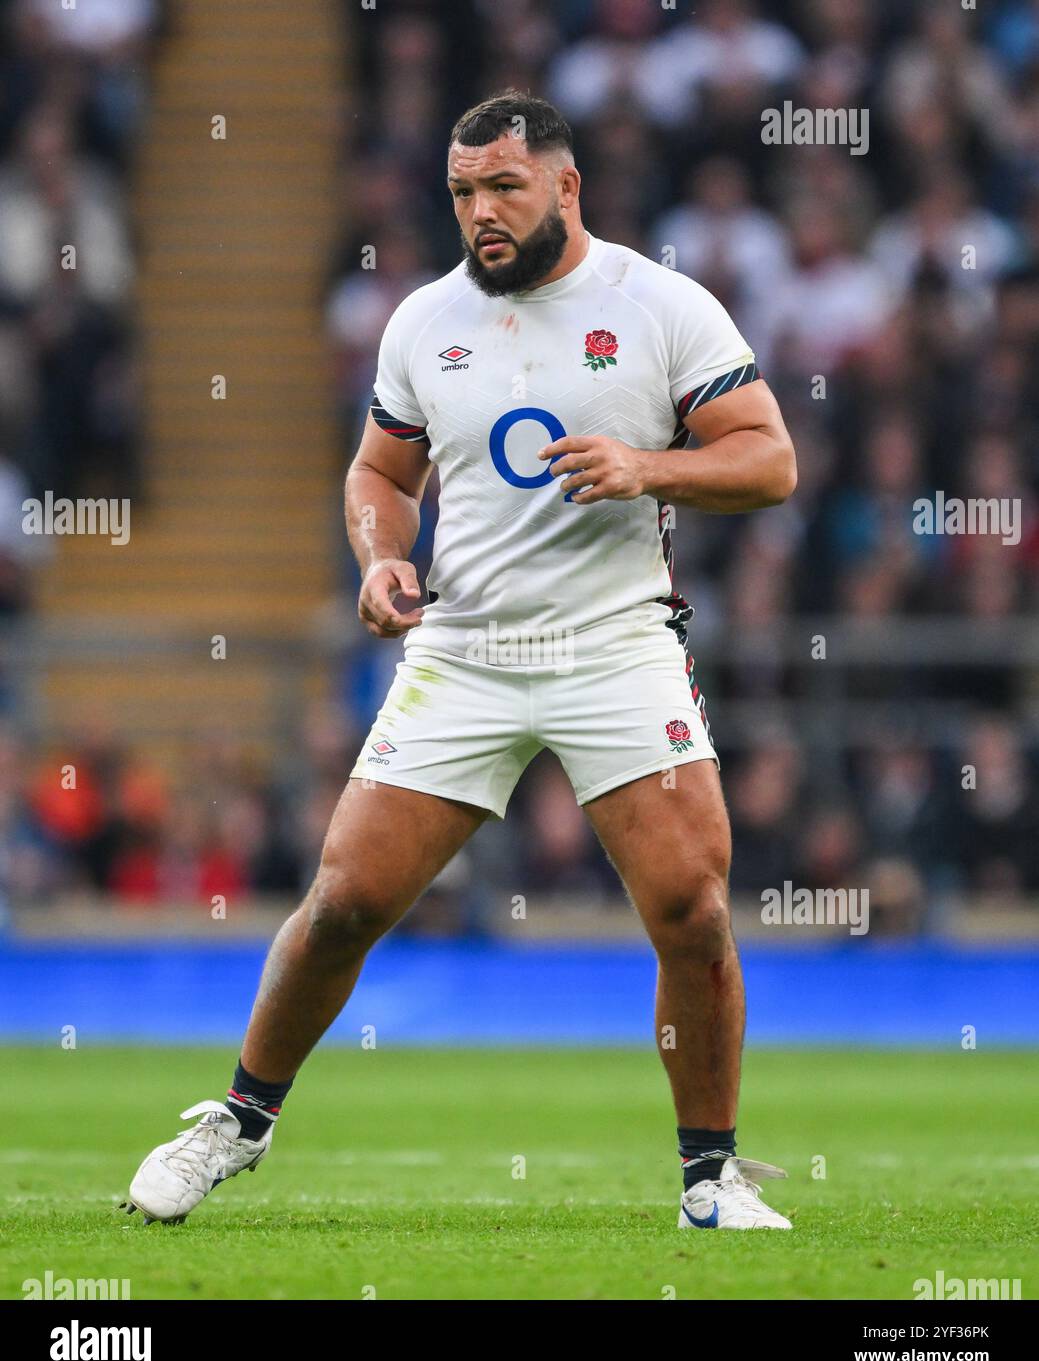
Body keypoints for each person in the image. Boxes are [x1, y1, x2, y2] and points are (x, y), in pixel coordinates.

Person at [126, 92, 797, 1231]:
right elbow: (381, 477)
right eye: (462, 195)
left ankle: (709, 1177)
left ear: (565, 187)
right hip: (468, 649)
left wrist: (649, 466)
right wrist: (383, 560)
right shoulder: (422, 323)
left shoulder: (660, 305)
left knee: (690, 907)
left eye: (503, 189)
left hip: (614, 641)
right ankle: (234, 1124)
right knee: (345, 900)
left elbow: (769, 459)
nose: (480, 214)